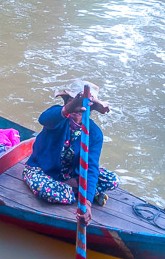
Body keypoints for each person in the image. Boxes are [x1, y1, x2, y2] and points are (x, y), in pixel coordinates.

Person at [23, 80, 119, 226]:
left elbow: (91, 167)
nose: (77, 109)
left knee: (112, 180)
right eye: (73, 102)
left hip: (72, 174)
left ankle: (76, 189)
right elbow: (44, 119)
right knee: (48, 191)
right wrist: (69, 108)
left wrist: (87, 204)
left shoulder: (94, 133)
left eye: (81, 107)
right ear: (67, 102)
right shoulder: (58, 117)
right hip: (42, 171)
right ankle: (73, 189)